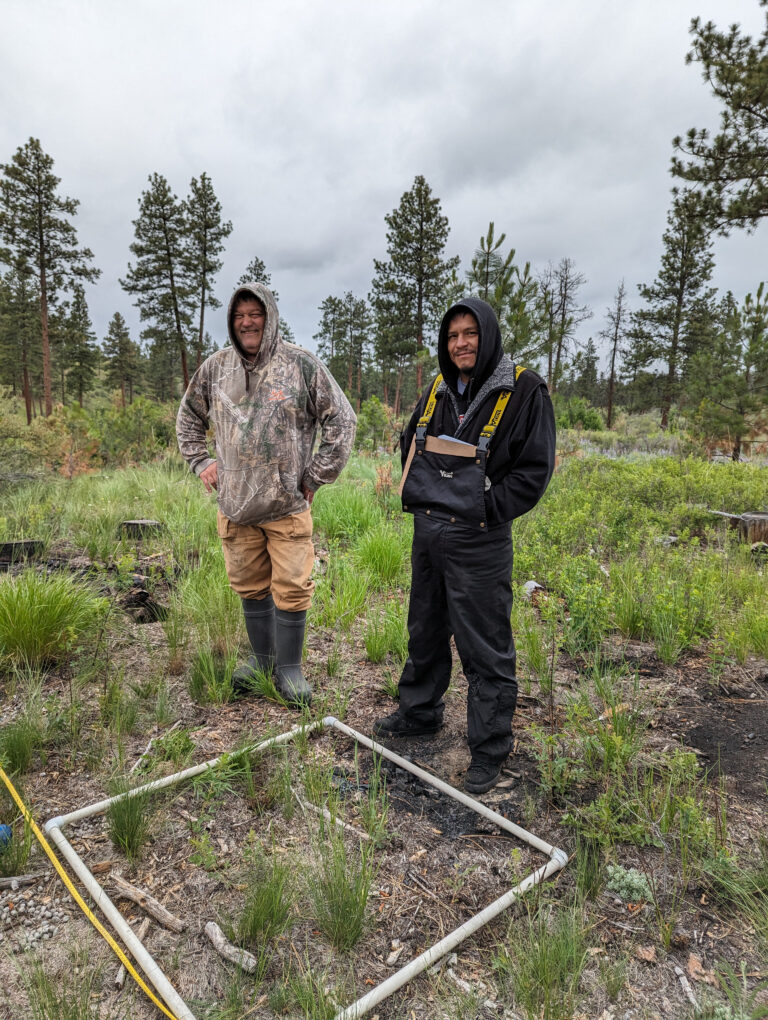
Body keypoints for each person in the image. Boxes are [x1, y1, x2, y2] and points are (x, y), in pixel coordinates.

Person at [373, 297, 555, 794]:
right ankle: (420, 712)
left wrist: (485, 506)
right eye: (452, 336)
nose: (461, 343)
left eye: (470, 333)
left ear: (488, 334)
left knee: (485, 645)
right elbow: (411, 440)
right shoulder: (437, 389)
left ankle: (490, 749)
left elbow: (534, 472)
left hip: (479, 539)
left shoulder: (525, 391)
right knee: (425, 628)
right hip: (429, 532)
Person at [176, 282, 356, 707]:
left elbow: (342, 421)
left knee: (292, 585)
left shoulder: (300, 364)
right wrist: (203, 463)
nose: (247, 322)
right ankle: (261, 661)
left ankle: (289, 669)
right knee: (250, 585)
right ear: (231, 322)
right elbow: (187, 419)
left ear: (269, 316)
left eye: (255, 314)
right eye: (239, 316)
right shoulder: (215, 369)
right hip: (236, 507)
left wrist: (314, 477)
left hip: (287, 504)